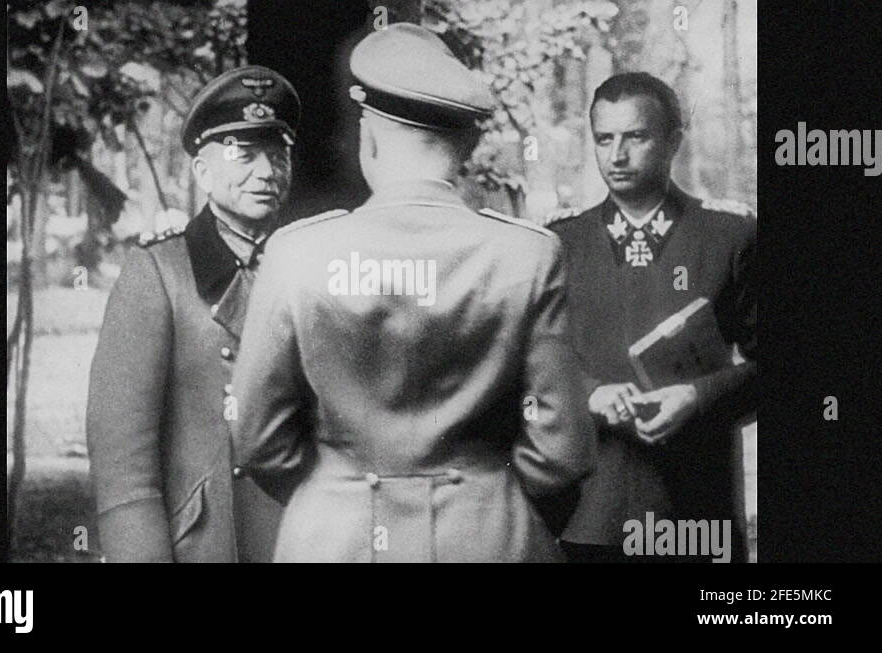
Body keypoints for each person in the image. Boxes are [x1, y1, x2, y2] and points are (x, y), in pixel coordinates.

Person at [229, 23, 594, 563]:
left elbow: (258, 438)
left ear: (368, 135)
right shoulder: (527, 255)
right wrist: (484, 491)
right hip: (486, 537)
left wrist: (337, 489)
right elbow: (561, 450)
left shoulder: (296, 254)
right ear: (468, 142)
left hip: (334, 541)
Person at [86, 65, 300, 562]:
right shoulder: (158, 274)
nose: (266, 173)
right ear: (203, 172)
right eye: (244, 156)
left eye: (277, 154)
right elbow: (125, 472)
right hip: (207, 546)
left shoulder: (310, 264)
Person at [544, 72, 756, 563]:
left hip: (697, 518)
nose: (616, 156)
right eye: (604, 139)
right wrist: (590, 392)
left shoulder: (729, 237)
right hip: (591, 517)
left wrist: (697, 396)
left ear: (674, 141)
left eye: (636, 136)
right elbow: (534, 363)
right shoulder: (559, 244)